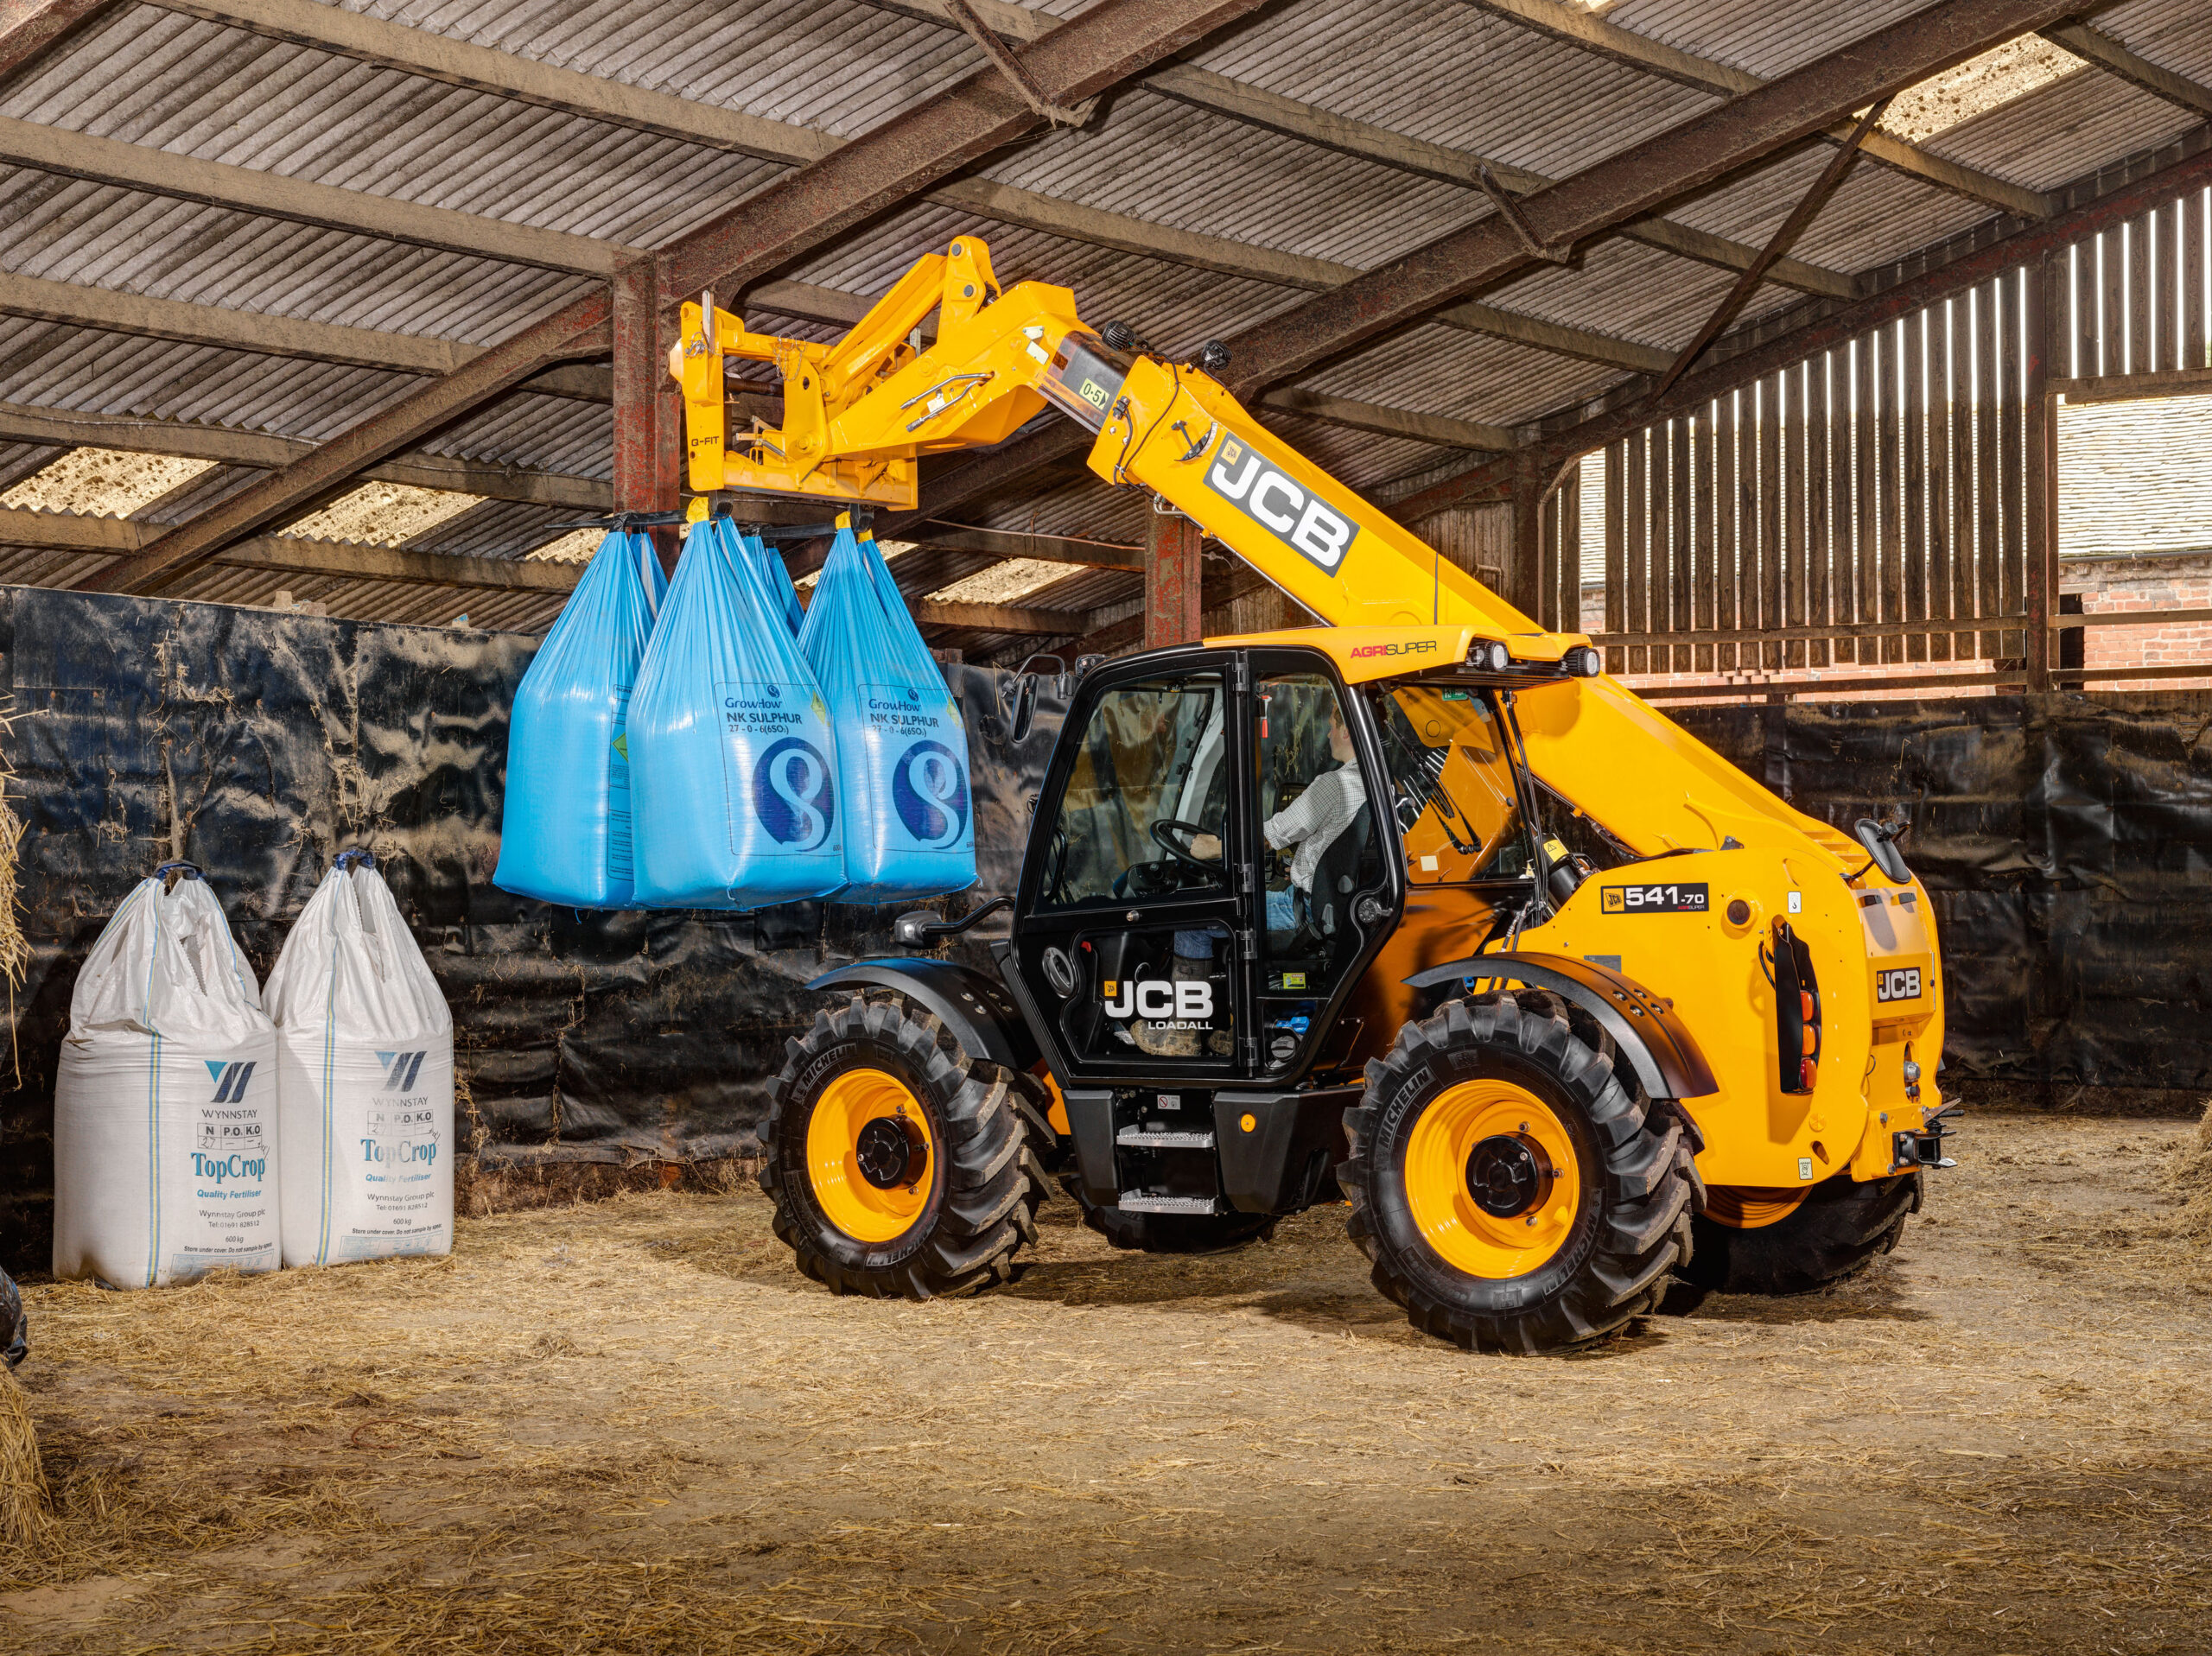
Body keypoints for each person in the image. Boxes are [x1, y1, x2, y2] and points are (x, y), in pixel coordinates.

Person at [1190, 700, 1367, 932]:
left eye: (1332, 726)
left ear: (1345, 732)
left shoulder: (1335, 785)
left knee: (1195, 920)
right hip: (1339, 901)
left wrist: (1215, 848)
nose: (1328, 734)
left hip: (1305, 909)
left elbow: (1272, 835)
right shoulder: (1383, 784)